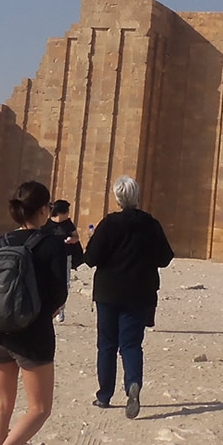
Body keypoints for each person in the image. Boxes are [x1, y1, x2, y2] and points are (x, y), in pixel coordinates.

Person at [0, 181, 69, 445]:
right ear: (44, 210)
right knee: (39, 408)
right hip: (33, 336)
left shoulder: (0, 241)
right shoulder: (54, 244)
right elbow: (59, 294)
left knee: (2, 405)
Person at [84, 176, 173, 418]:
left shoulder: (109, 224)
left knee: (107, 344)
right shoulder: (150, 224)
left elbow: (90, 258)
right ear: (136, 197)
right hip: (139, 293)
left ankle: (104, 396)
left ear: (117, 198)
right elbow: (165, 257)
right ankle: (133, 384)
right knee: (131, 344)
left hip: (108, 292)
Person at [43, 199, 83, 324]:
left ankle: (60, 309)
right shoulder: (46, 224)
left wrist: (73, 240)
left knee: (64, 283)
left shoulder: (68, 224)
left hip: (65, 256)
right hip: (48, 257)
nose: (68, 214)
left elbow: (76, 236)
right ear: (59, 212)